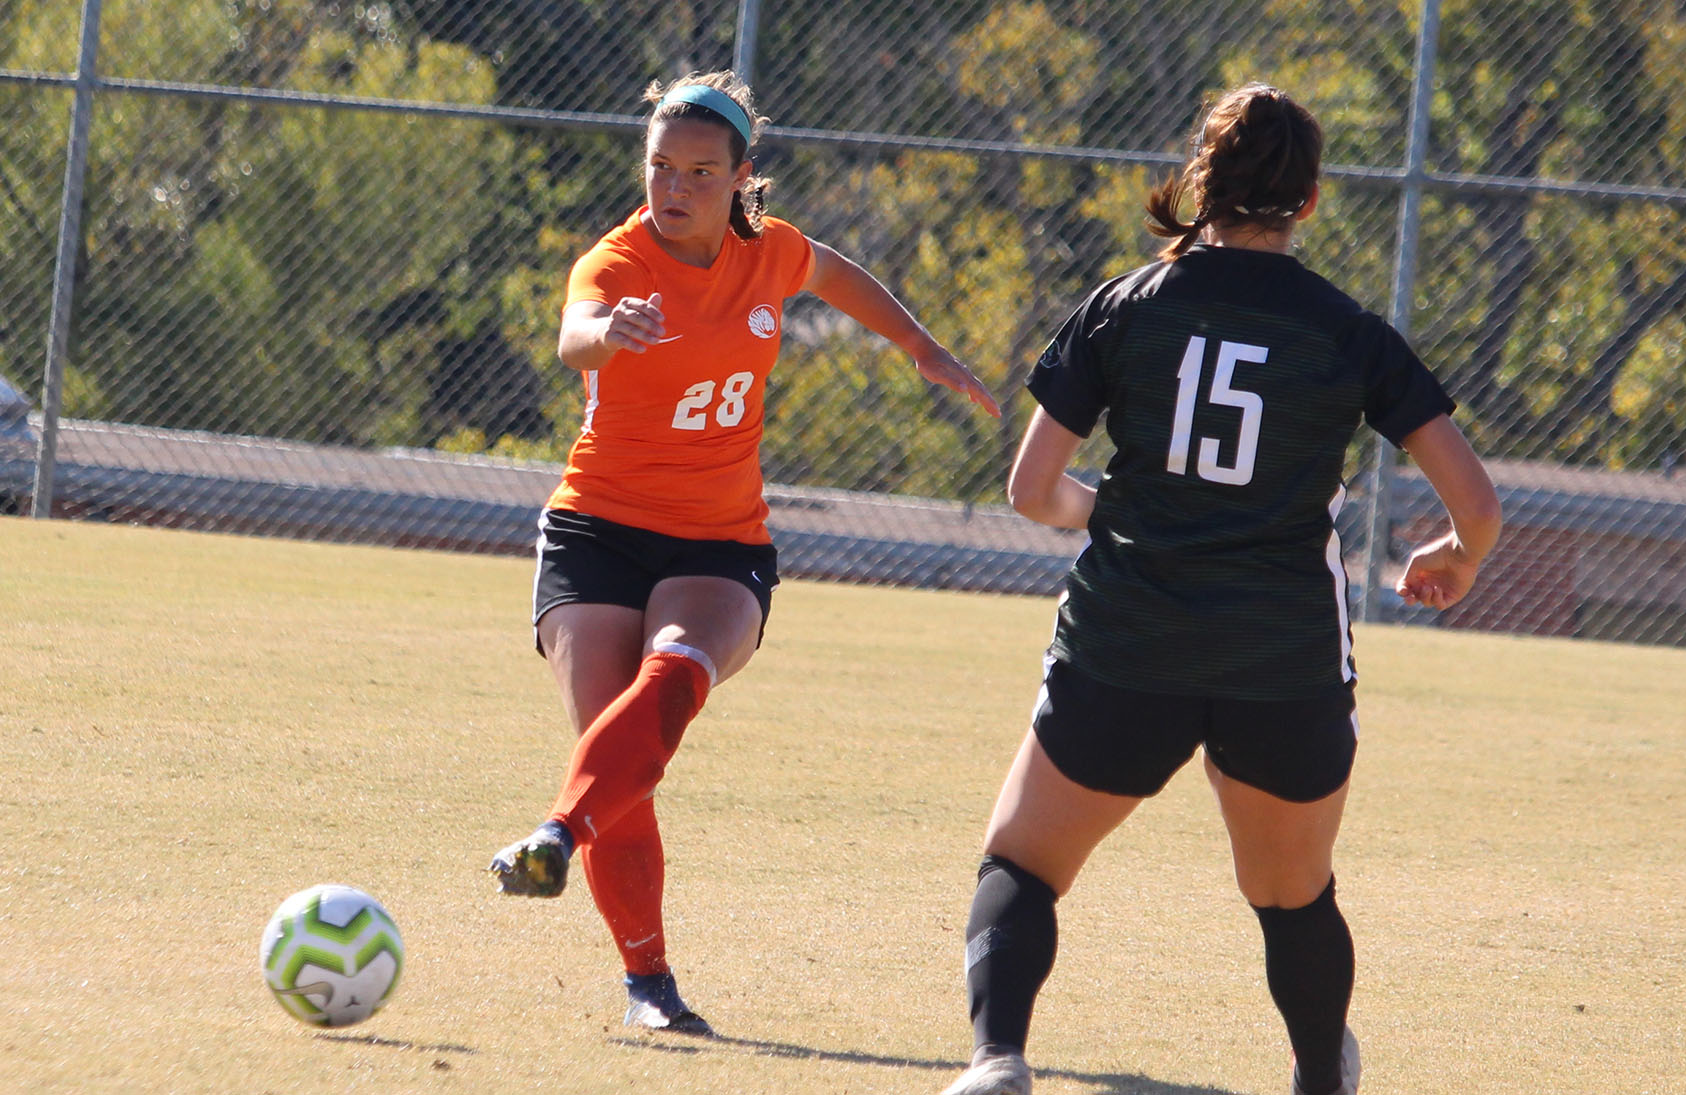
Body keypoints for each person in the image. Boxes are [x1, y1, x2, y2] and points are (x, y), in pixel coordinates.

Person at [939, 84, 1502, 1095]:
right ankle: (1316, 1077)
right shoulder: (1343, 329)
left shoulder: (1124, 305)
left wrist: (1112, 508)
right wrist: (1454, 556)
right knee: (1290, 895)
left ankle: (997, 1062)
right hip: (1277, 656)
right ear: (1310, 199)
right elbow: (1476, 501)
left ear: (1200, 180)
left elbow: (1030, 491)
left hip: (1129, 638)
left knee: (1020, 866)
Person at [489, 70, 1000, 1035]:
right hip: (595, 531)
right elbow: (573, 338)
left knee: (674, 677)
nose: (672, 188)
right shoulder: (617, 261)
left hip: (718, 539)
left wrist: (921, 347)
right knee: (618, 764)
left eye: (697, 171)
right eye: (659, 168)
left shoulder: (771, 255)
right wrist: (611, 332)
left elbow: (840, 276)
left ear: (739, 179)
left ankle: (555, 833)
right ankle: (649, 984)